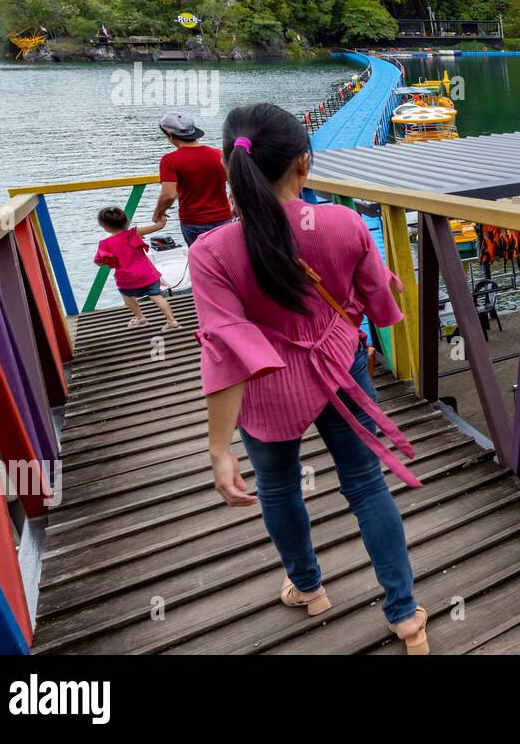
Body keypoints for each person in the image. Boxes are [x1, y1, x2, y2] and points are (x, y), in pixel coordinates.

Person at [189, 103, 429, 654]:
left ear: (231, 167)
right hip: (341, 370)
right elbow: (377, 294)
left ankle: (308, 586)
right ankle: (405, 618)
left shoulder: (211, 253)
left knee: (277, 486)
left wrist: (218, 448)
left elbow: (226, 350)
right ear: (304, 166)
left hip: (266, 391)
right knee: (367, 485)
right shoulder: (343, 223)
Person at [154, 111, 234, 248]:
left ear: (170, 135)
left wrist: (158, 213)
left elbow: (168, 196)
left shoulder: (170, 160)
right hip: (224, 218)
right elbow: (237, 183)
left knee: (202, 262)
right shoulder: (218, 154)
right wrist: (232, 205)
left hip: (194, 222)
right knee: (225, 258)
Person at [94, 206, 181, 330]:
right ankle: (171, 320)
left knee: (127, 296)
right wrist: (160, 214)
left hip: (126, 278)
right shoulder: (134, 233)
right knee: (157, 296)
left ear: (105, 227)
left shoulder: (105, 243)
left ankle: (140, 318)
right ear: (125, 221)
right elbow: (159, 225)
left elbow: (98, 261)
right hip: (147, 275)